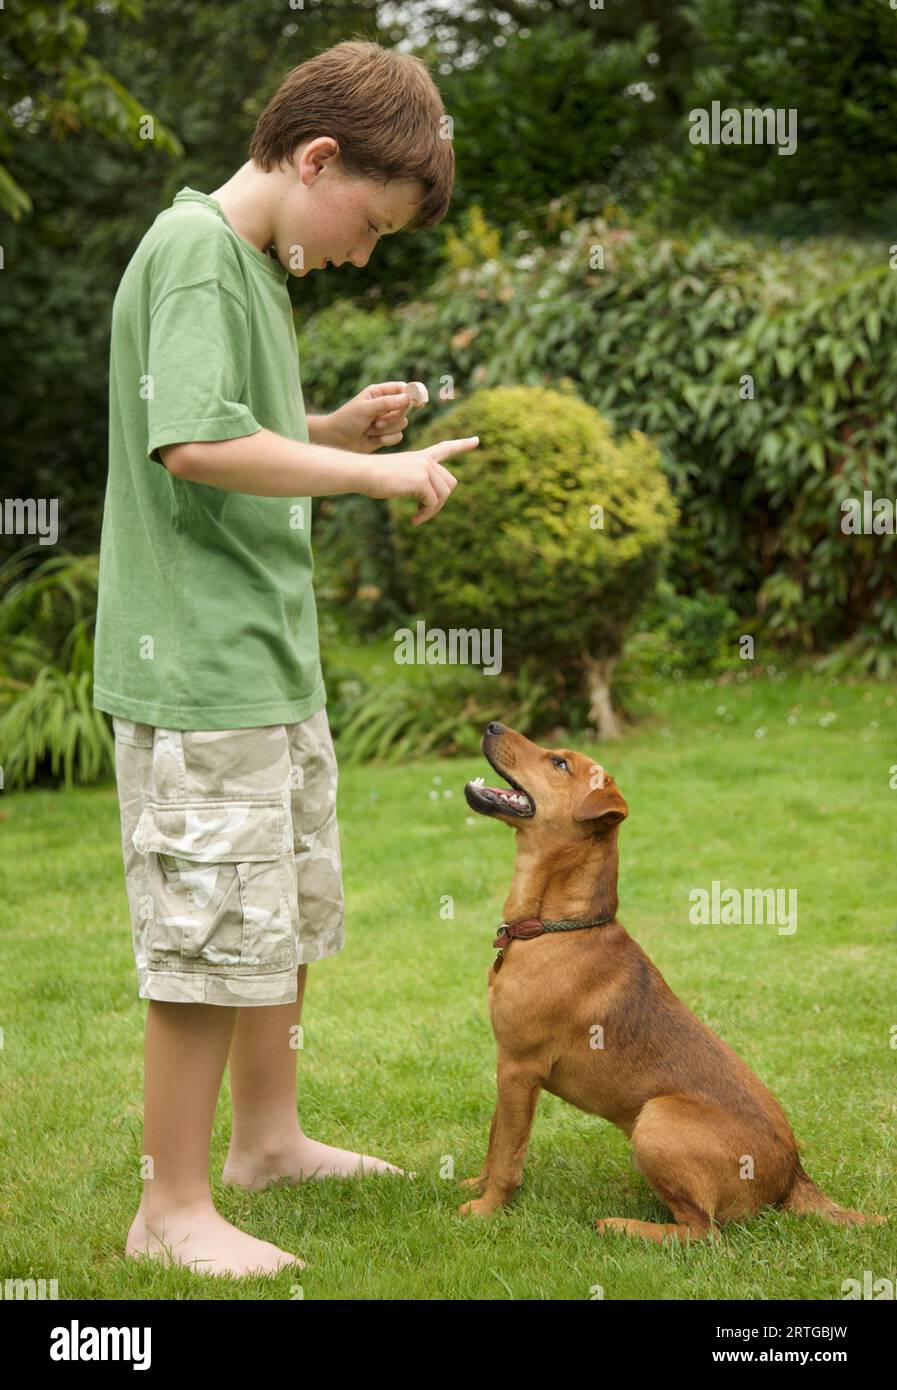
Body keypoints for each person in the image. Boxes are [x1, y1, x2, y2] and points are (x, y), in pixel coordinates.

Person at [92, 38, 479, 1279]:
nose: (367, 252)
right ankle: (171, 1207)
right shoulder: (201, 258)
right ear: (317, 158)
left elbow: (231, 426)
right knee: (208, 942)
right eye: (369, 222)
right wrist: (370, 470)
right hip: (198, 664)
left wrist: (327, 429)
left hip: (261, 658)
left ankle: (267, 1141)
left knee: (275, 920)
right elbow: (195, 448)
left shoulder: (251, 267)